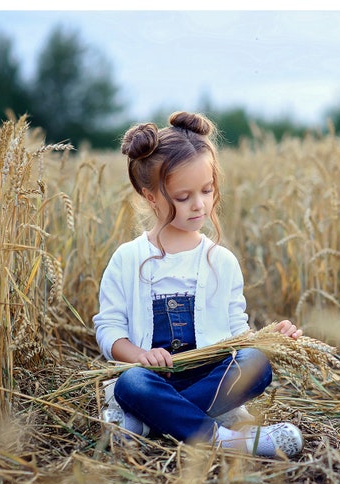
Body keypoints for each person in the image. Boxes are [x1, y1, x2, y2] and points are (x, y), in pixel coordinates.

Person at [93, 110, 304, 459]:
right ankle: (226, 440)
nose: (199, 205)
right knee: (131, 383)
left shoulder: (221, 262)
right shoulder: (127, 259)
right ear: (151, 196)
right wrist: (140, 355)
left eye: (207, 190)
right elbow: (108, 329)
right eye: (183, 196)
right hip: (153, 382)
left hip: (208, 381)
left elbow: (238, 334)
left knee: (256, 364)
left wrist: (269, 337)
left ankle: (148, 424)